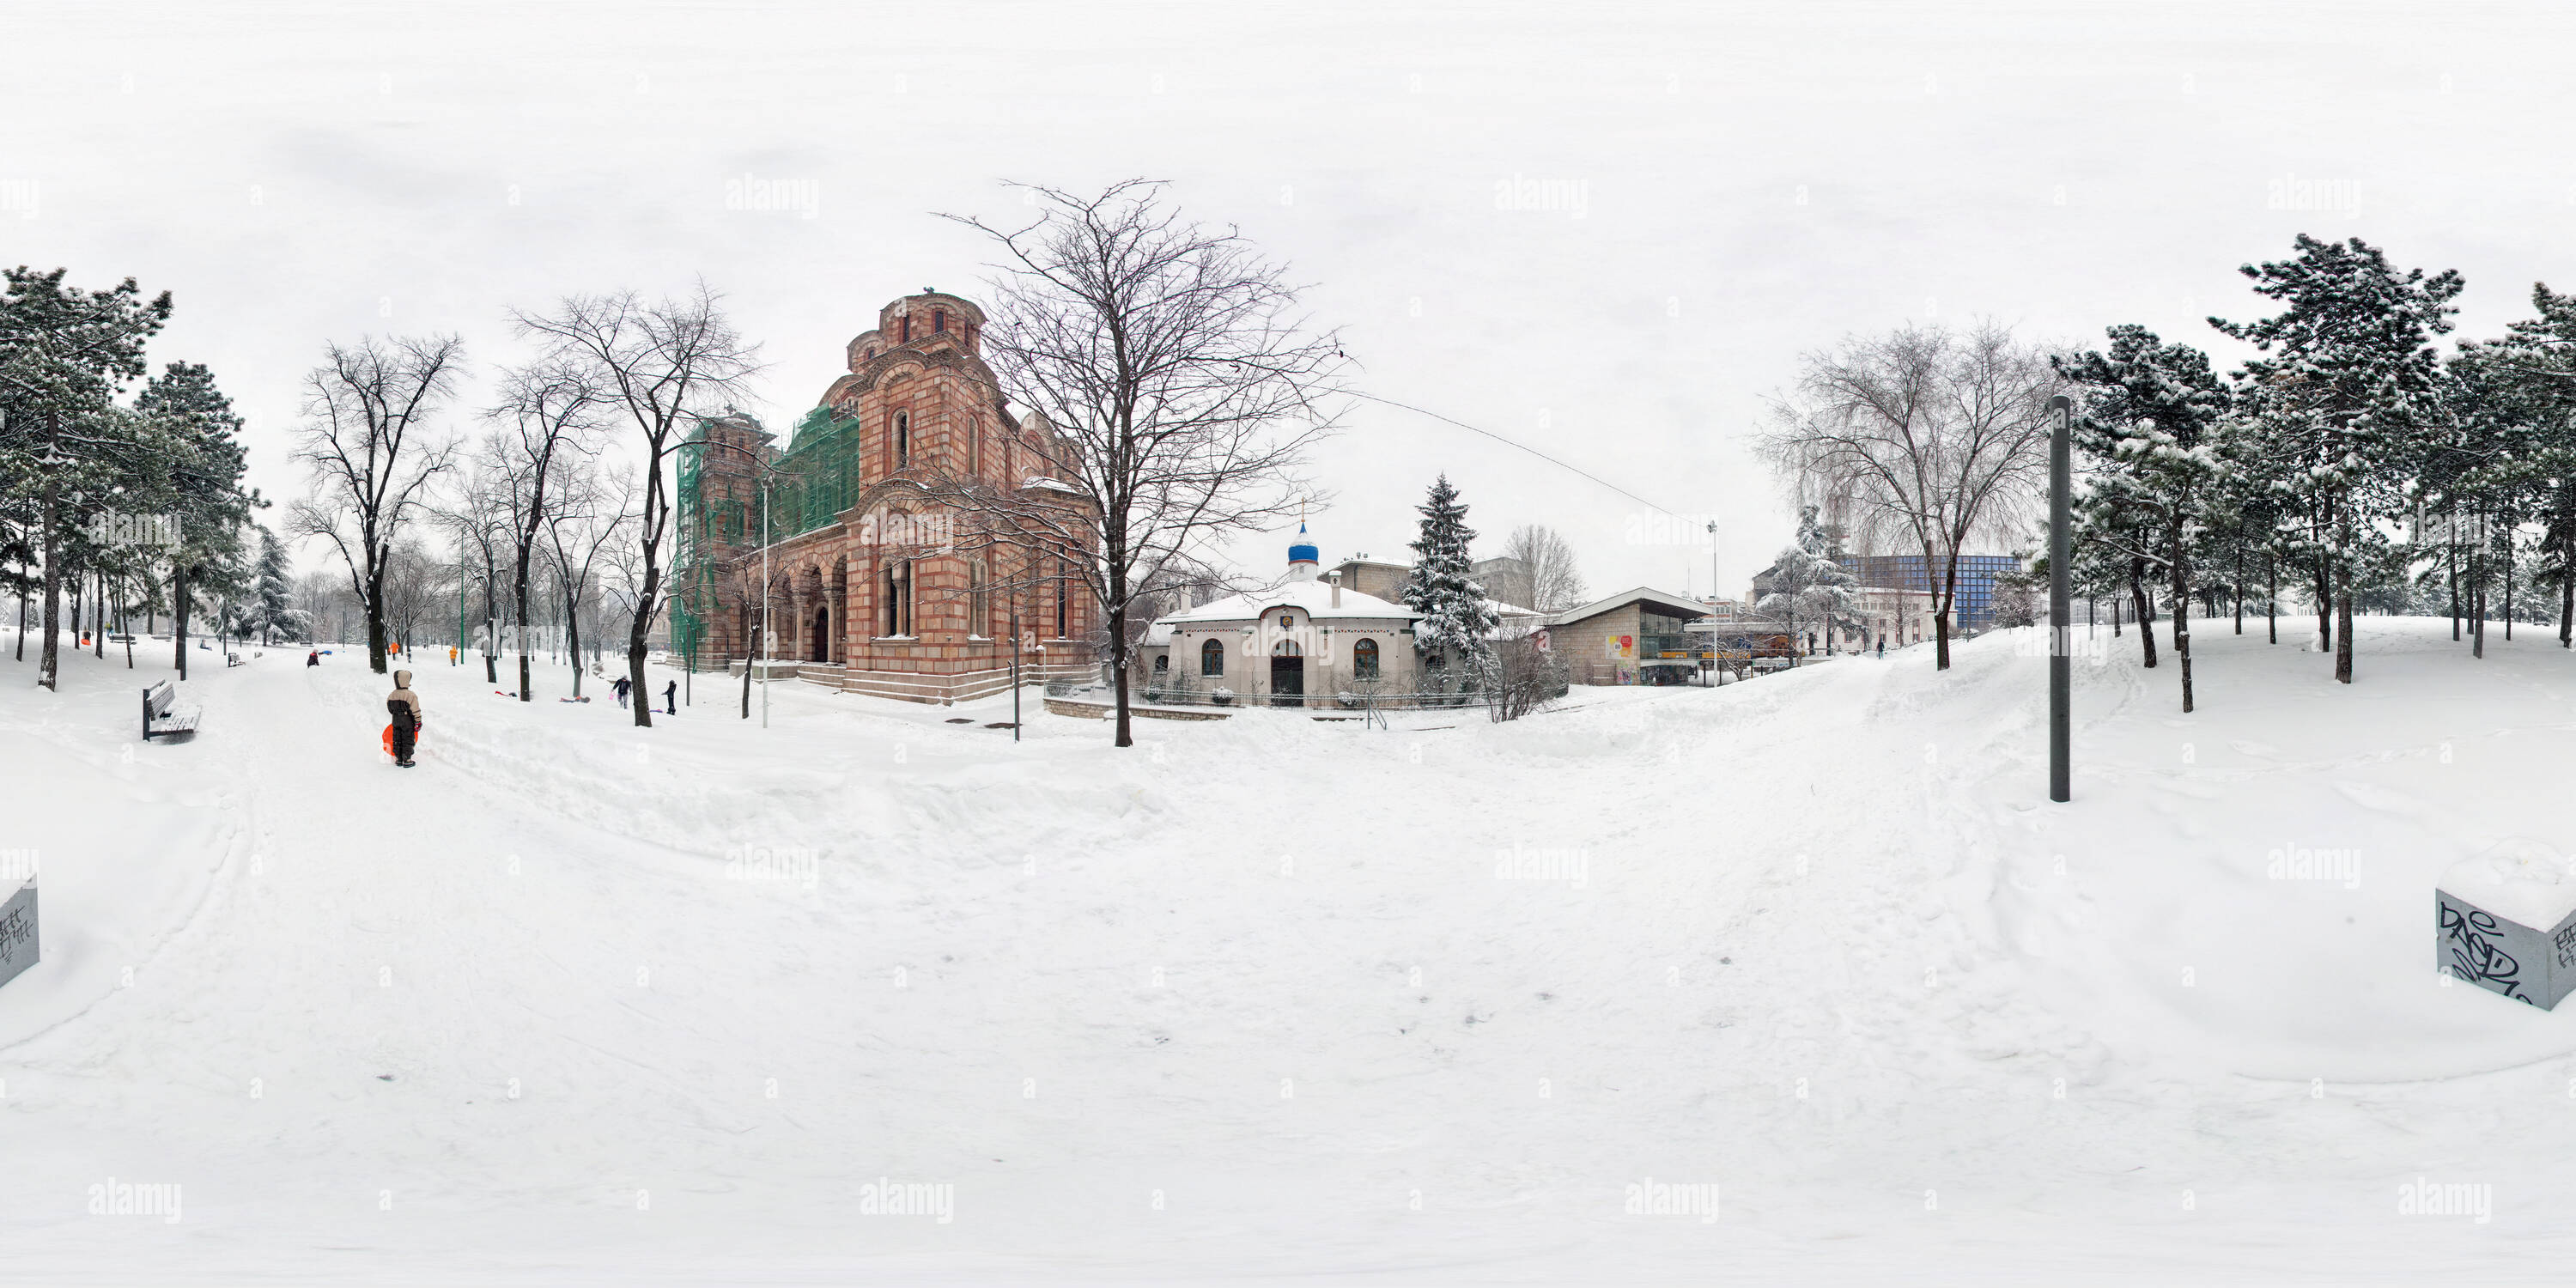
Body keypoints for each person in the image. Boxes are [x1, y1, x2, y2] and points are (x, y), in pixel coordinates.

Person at [386, 670, 422, 768]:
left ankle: (399, 758)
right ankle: (407, 759)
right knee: (407, 737)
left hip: (395, 719)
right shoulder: (410, 695)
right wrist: (418, 721)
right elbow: (415, 710)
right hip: (407, 719)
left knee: (397, 737)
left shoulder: (392, 694)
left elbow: (390, 708)